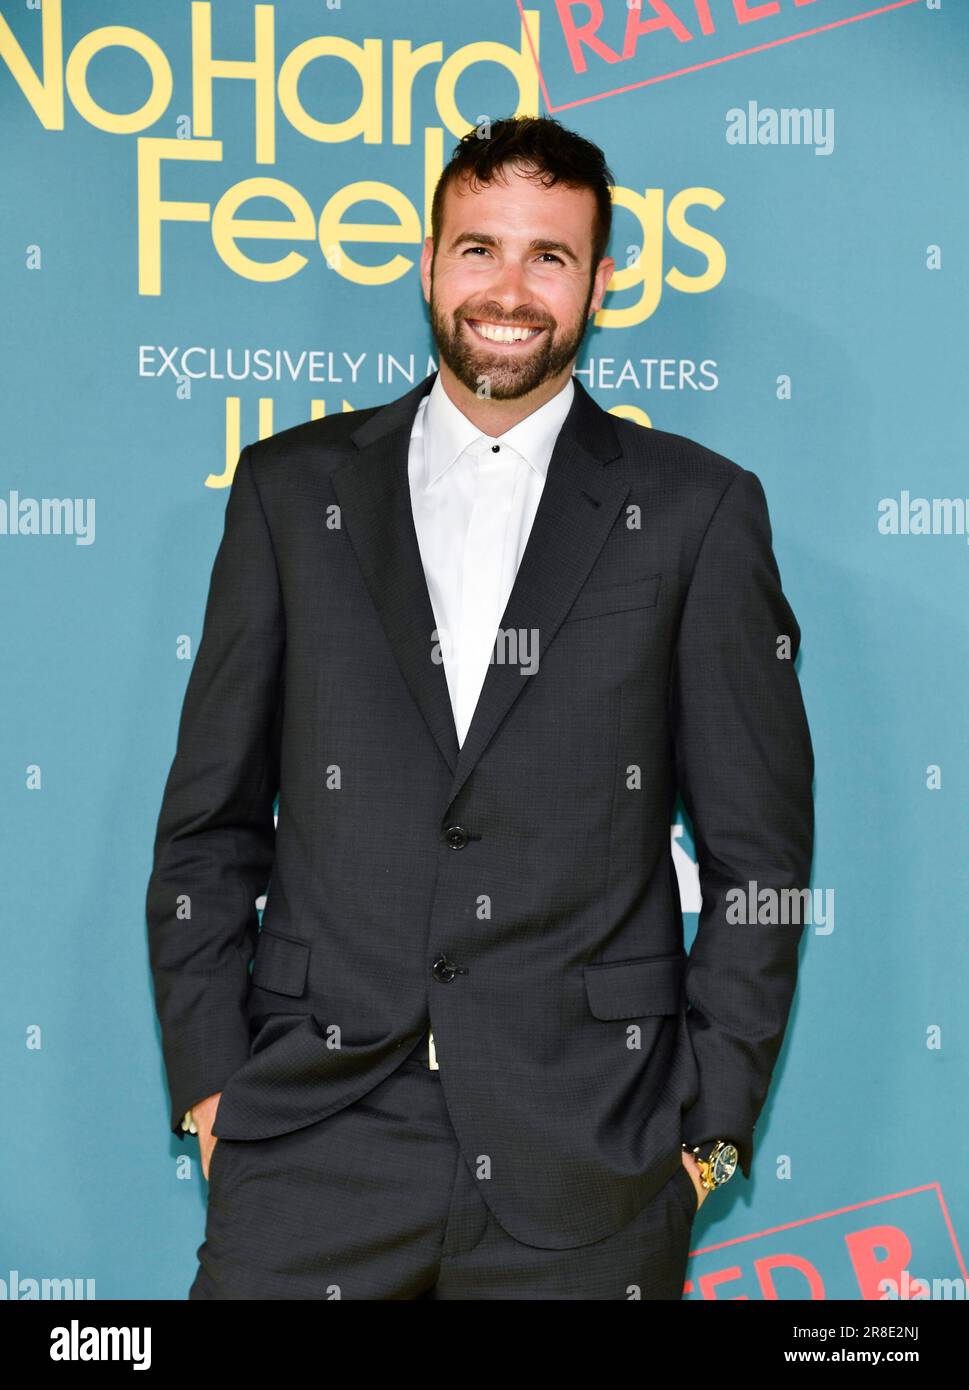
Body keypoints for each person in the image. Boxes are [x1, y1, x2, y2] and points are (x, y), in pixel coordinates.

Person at [146, 115, 814, 1300]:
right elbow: (208, 820)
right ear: (427, 262)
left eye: (548, 257)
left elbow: (761, 854)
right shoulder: (293, 493)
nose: (509, 289)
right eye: (479, 250)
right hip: (312, 1138)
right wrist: (211, 1083)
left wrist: (706, 1133)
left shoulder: (699, 511)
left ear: (600, 282)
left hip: (590, 1154)